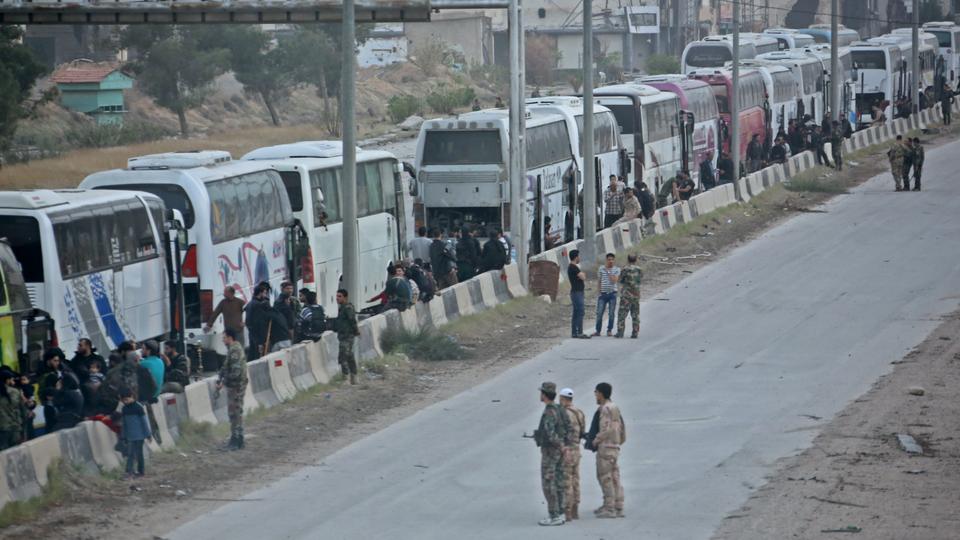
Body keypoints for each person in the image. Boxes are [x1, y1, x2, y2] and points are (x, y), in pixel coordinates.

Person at [532, 381, 567, 526]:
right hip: (558, 451)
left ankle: (554, 515)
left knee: (548, 482)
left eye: (541, 392)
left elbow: (550, 433)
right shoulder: (559, 408)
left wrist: (560, 446)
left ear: (544, 394)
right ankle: (560, 512)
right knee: (558, 481)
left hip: (550, 452)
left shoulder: (549, 411)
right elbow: (566, 427)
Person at [592, 382, 625, 518]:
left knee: (605, 477)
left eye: (596, 392)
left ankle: (609, 508)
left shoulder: (605, 409)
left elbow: (606, 428)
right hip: (614, 447)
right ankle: (618, 506)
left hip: (606, 447)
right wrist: (619, 441)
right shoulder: (615, 407)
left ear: (600, 393)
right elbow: (621, 427)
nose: (595, 395)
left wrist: (596, 439)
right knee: (615, 477)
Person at [217, 329, 248, 450]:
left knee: (234, 413)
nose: (223, 340)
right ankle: (239, 439)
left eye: (224, 337)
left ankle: (235, 440)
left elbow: (236, 372)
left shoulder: (234, 350)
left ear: (230, 337)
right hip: (236, 386)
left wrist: (223, 382)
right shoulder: (233, 349)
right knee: (237, 412)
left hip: (236, 387)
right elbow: (226, 366)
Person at [558, 387, 586, 522]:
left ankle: (567, 512)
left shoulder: (563, 413)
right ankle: (575, 510)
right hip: (576, 449)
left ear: (563, 399)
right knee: (576, 480)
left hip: (567, 451)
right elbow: (582, 431)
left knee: (566, 481)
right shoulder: (579, 412)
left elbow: (561, 434)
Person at [119, 388, 151, 477]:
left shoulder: (138, 407)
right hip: (130, 437)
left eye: (127, 399)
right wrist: (123, 436)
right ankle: (129, 471)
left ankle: (141, 471)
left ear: (132, 397)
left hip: (139, 436)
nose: (125, 402)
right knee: (130, 454)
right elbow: (124, 424)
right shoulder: (124, 409)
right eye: (123, 400)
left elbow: (144, 422)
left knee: (139, 454)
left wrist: (148, 434)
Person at [334, 289, 360, 385]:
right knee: (349, 356)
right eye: (337, 296)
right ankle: (354, 377)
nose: (337, 298)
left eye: (339, 296)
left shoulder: (348, 308)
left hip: (348, 335)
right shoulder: (342, 307)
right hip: (342, 335)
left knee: (343, 356)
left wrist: (356, 331)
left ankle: (346, 377)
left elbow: (352, 320)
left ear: (345, 297)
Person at [615, 253, 642, 338]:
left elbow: (621, 280)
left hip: (626, 295)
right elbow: (640, 279)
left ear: (628, 259)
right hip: (636, 295)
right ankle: (635, 333)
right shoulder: (639, 269)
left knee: (622, 314)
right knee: (635, 314)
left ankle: (620, 332)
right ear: (636, 260)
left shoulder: (625, 269)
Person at [593, 253, 620, 337]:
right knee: (599, 313)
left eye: (612, 259)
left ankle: (609, 330)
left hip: (612, 294)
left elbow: (614, 281)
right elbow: (599, 281)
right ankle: (598, 331)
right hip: (603, 294)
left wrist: (608, 271)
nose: (611, 261)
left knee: (611, 313)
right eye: (609, 259)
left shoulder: (617, 269)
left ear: (614, 260)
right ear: (606, 260)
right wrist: (599, 292)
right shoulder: (601, 268)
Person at [0, 370, 27, 450]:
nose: (13, 382)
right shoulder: (16, 392)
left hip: (2, 430)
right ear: (7, 380)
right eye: (11, 379)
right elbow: (23, 412)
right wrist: (23, 428)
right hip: (16, 429)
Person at [567, 250, 589, 339]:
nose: (579, 258)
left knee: (576, 312)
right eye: (578, 256)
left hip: (576, 292)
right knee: (580, 312)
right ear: (576, 257)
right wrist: (583, 274)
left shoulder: (572, 267)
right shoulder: (573, 267)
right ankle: (579, 332)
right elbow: (583, 277)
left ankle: (574, 332)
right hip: (577, 293)